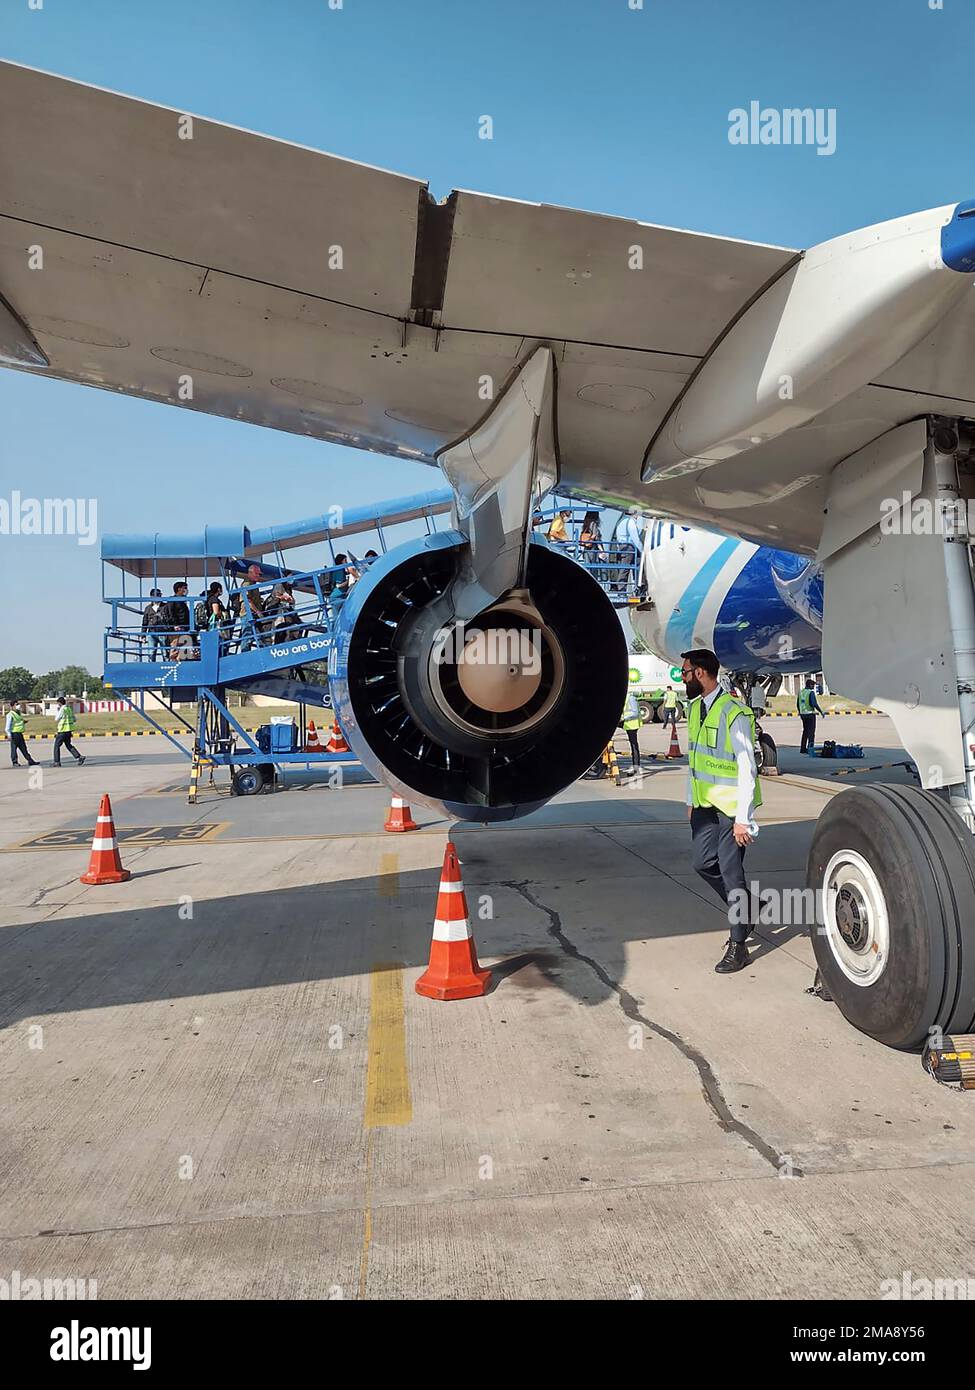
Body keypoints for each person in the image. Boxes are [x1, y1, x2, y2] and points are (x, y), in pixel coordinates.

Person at [681, 648, 761, 974]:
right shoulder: (694, 708)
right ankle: (748, 906)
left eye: (685, 672)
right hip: (703, 805)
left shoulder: (733, 712)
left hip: (730, 810)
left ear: (700, 673)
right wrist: (690, 799)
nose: (683, 678)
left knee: (731, 873)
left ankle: (738, 945)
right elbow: (695, 758)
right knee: (702, 864)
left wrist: (743, 818)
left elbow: (747, 766)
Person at [53, 696, 85, 767]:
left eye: (58, 703)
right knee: (68, 745)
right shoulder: (69, 709)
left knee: (56, 746)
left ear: (60, 703)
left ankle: (57, 762)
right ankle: (79, 757)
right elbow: (74, 719)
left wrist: (58, 711)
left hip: (62, 731)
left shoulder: (62, 709)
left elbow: (56, 719)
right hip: (69, 730)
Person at [797, 677, 826, 754]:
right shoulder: (810, 692)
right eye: (813, 685)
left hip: (803, 715)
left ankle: (802, 748)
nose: (813, 687)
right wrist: (821, 711)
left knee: (805, 731)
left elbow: (797, 704)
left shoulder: (801, 692)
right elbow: (814, 704)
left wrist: (800, 712)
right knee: (811, 732)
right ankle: (810, 748)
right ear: (810, 685)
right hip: (810, 715)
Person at [6, 702, 38, 768]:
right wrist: (9, 735)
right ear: (12, 706)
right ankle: (15, 762)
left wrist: (23, 722)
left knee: (24, 748)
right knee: (14, 749)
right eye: (16, 704)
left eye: (18, 704)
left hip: (19, 733)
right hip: (14, 734)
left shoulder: (18, 713)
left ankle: (30, 760)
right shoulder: (10, 714)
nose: (18, 706)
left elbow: (18, 721)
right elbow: (7, 726)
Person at [167, 581, 191, 659]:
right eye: (185, 588)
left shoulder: (183, 601)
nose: (186, 590)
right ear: (179, 589)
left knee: (184, 650)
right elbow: (171, 614)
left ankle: (180, 663)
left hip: (185, 628)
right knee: (175, 649)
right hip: (176, 630)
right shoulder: (173, 600)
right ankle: (173, 665)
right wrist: (175, 625)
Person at [141, 588, 167, 661]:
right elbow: (145, 622)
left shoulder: (165, 606)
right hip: (151, 633)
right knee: (151, 653)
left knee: (165, 653)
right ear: (151, 596)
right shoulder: (148, 608)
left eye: (159, 595)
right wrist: (143, 635)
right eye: (156, 595)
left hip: (163, 632)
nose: (158, 597)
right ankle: (151, 670)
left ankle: (166, 668)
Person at [621, 689, 642, 772]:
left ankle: (636, 766)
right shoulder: (625, 698)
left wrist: (624, 718)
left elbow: (635, 712)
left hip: (632, 724)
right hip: (627, 724)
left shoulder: (631, 698)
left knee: (634, 745)